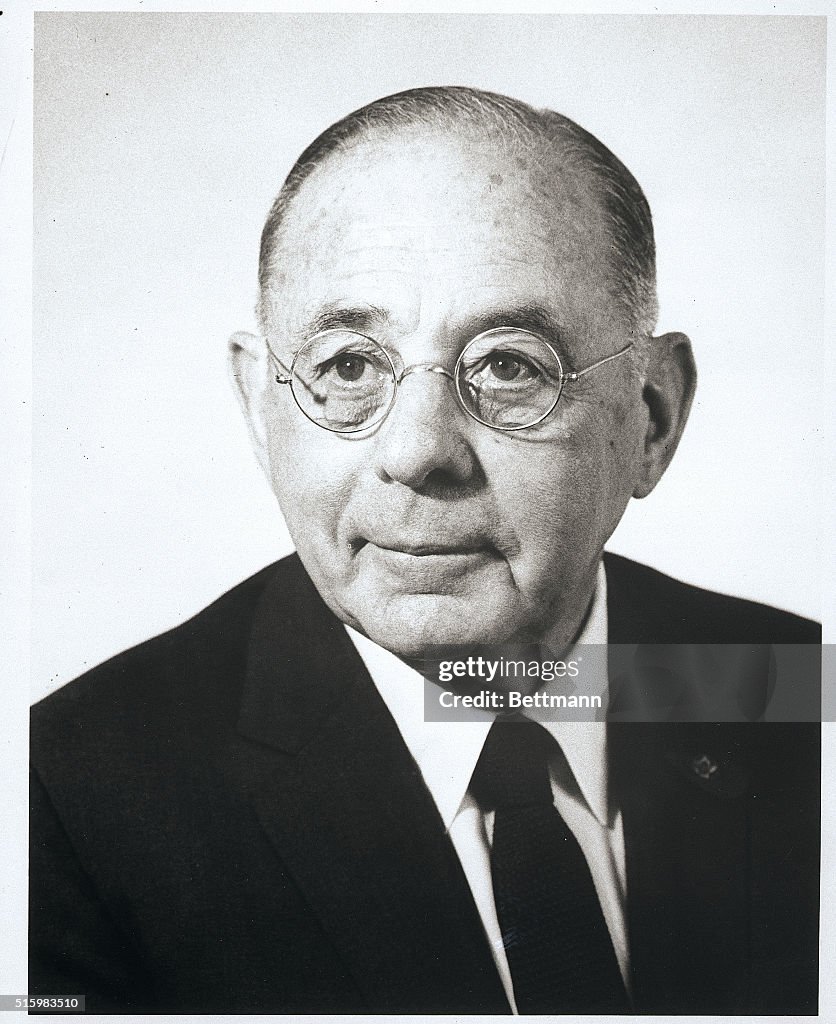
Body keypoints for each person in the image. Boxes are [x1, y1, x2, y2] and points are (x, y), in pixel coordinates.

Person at [29, 86, 820, 1014]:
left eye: (510, 365)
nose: (415, 454)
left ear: (651, 417)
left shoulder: (790, 687)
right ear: (259, 405)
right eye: (348, 367)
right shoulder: (66, 797)